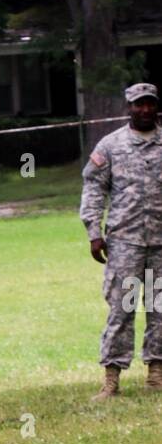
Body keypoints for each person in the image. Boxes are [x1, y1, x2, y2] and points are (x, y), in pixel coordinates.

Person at [79, 81, 162, 399]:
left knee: (158, 308)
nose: (144, 109)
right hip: (125, 243)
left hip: (159, 245)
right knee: (122, 310)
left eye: (149, 104)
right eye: (138, 104)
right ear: (128, 107)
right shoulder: (111, 146)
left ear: (155, 106)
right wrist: (93, 232)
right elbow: (94, 188)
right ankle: (112, 378)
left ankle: (156, 374)